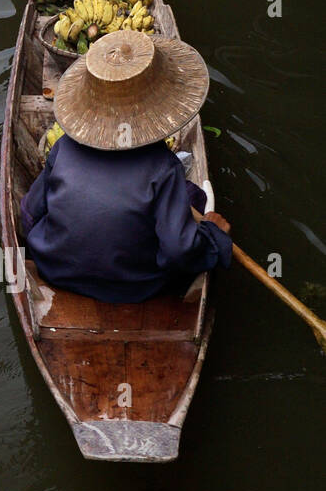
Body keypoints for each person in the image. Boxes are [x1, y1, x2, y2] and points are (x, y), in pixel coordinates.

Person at [20, 29, 233, 303]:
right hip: (132, 288)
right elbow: (179, 252)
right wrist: (214, 236)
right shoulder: (162, 167)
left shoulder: (64, 147)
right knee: (196, 200)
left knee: (188, 198)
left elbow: (30, 211)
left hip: (56, 270)